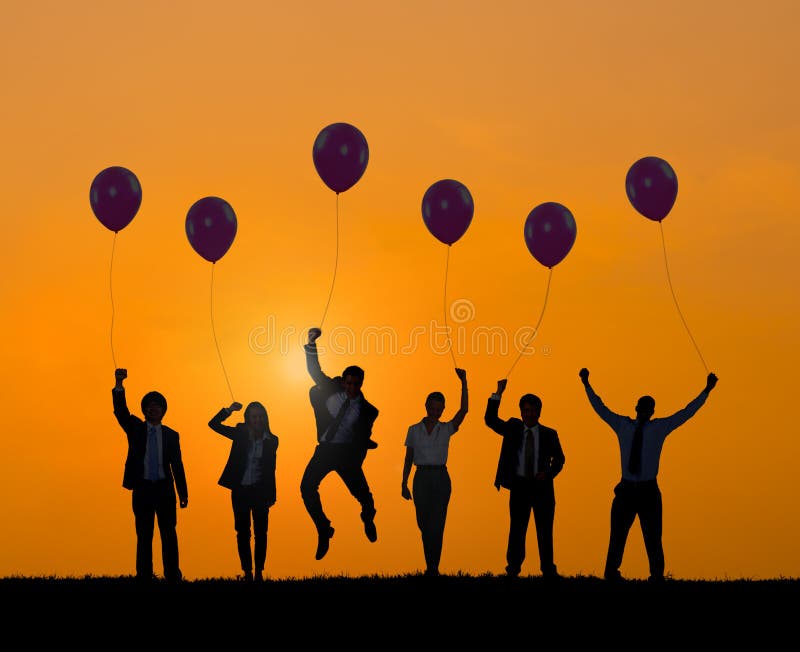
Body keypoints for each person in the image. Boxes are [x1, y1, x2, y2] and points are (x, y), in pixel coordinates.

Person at [578, 367, 719, 582]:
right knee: (618, 534)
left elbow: (686, 413)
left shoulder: (659, 428)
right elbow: (601, 408)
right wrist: (587, 385)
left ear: (652, 411)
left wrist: (706, 391)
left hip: (648, 490)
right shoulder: (623, 425)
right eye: (642, 407)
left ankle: (656, 575)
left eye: (648, 408)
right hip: (626, 489)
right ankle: (611, 572)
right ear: (636, 408)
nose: (644, 411)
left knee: (653, 536)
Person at [300, 327, 380, 560]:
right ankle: (324, 529)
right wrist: (311, 342)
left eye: (356, 384)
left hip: (347, 454)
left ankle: (368, 517)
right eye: (349, 383)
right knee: (306, 487)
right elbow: (314, 371)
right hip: (325, 449)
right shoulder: (330, 390)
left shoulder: (368, 411)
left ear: (361, 384)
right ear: (343, 382)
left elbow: (363, 438)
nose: (352, 388)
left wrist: (356, 461)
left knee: (364, 496)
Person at [112, 368, 188, 582]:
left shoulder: (171, 435)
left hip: (165, 490)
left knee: (169, 533)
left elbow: (177, 465)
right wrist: (119, 384)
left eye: (157, 406)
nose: (153, 409)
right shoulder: (136, 428)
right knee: (144, 534)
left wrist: (183, 493)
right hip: (143, 488)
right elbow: (121, 412)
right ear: (144, 410)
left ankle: (172, 575)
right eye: (150, 406)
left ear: (163, 410)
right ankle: (144, 575)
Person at [484, 378, 565, 579]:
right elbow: (491, 420)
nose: (529, 414)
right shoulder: (513, 427)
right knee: (517, 530)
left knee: (545, 530)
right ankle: (513, 568)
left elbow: (560, 459)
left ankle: (548, 569)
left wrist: (548, 473)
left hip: (542, 488)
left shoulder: (549, 434)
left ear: (539, 412)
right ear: (521, 412)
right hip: (519, 486)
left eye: (533, 411)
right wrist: (498, 393)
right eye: (526, 410)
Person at [401, 368, 469, 577]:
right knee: (424, 523)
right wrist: (404, 483)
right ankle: (430, 564)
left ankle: (433, 569)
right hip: (421, 477)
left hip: (440, 477)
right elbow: (408, 457)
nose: (435, 412)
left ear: (442, 410)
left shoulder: (446, 428)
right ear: (426, 406)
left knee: (437, 525)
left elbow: (463, 411)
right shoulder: (414, 429)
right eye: (432, 408)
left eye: (439, 409)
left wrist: (464, 382)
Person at [208, 400, 279, 582]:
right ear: (248, 419)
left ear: (265, 419)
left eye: (260, 416)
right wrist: (229, 410)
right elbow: (213, 424)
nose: (257, 420)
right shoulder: (240, 433)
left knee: (261, 533)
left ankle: (259, 571)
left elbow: (271, 470)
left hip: (260, 492)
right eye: (254, 417)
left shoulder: (272, 440)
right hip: (240, 490)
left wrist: (272, 495)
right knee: (242, 532)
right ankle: (247, 572)